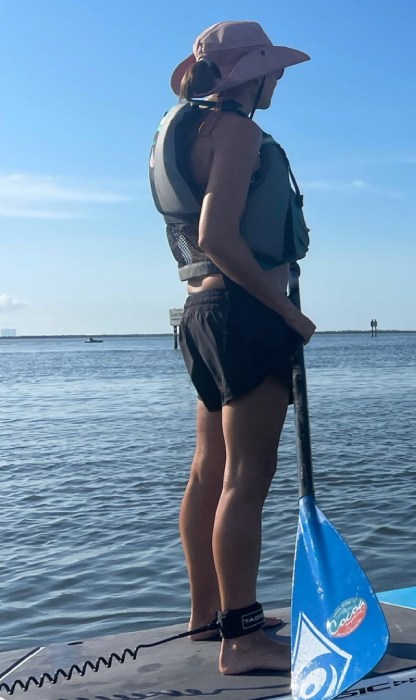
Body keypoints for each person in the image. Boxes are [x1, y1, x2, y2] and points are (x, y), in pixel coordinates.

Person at [152, 21, 315, 674]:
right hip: (246, 315)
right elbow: (220, 234)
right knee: (248, 479)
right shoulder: (240, 131)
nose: (278, 79)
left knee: (209, 472)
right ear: (250, 73)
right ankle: (243, 640)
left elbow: (202, 241)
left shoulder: (186, 128)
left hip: (200, 313)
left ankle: (210, 616)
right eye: (272, 69)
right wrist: (286, 313)